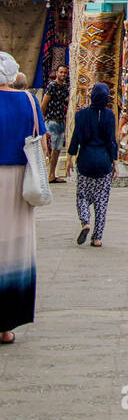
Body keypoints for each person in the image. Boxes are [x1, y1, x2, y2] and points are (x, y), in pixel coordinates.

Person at [0, 49, 48, 345]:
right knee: (14, 252)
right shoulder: (30, 101)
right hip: (19, 183)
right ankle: (5, 327)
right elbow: (40, 142)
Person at [67, 83, 118, 248]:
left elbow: (75, 138)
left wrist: (69, 158)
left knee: (82, 196)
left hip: (85, 161)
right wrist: (115, 162)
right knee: (101, 202)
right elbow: (111, 141)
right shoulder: (109, 116)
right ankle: (97, 238)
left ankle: (85, 222)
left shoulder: (81, 115)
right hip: (103, 163)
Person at [41, 64, 70, 183]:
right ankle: (47, 174)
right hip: (51, 121)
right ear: (57, 73)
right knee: (49, 149)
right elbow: (43, 104)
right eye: (61, 72)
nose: (63, 74)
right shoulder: (52, 86)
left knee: (57, 149)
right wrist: (42, 121)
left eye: (65, 73)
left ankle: (52, 174)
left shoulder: (65, 88)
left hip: (60, 121)